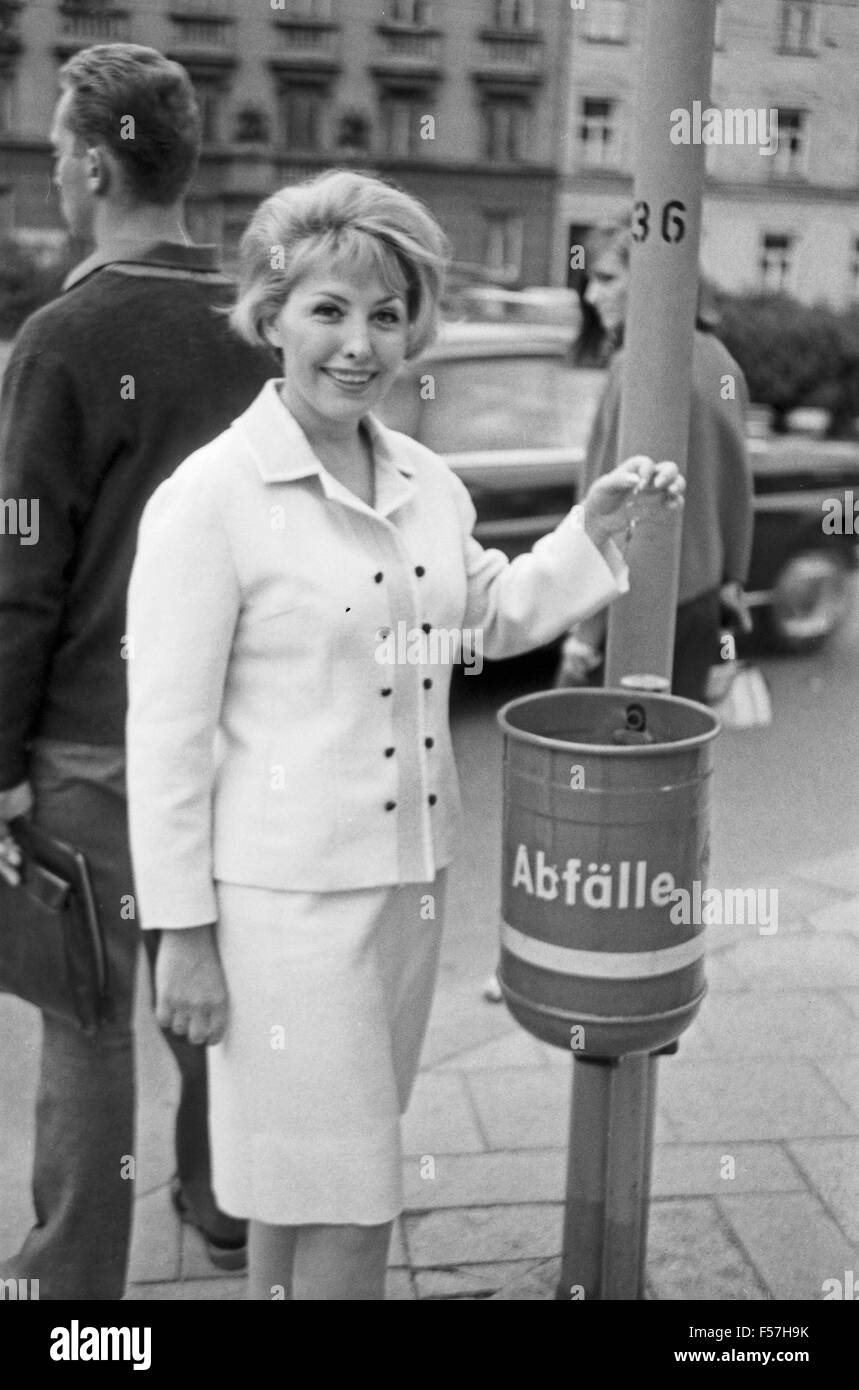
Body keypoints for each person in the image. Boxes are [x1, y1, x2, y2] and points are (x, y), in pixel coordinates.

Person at [124, 168, 684, 1302]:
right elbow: (166, 735)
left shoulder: (426, 482)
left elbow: (484, 615)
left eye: (386, 315)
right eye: (327, 310)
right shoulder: (211, 497)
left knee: (304, 1185)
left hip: (406, 891)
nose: (358, 343)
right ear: (269, 315)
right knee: (352, 1199)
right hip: (285, 915)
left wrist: (588, 532)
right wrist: (180, 931)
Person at [0, 43, 273, 1299]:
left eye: (59, 151)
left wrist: (2, 769)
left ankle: (71, 1291)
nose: (53, 172)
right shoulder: (256, 327)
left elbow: (20, 576)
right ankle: (222, 1209)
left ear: (98, 163)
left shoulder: (61, 341)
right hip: (238, 732)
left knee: (92, 1017)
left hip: (96, 744)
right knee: (210, 977)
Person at [556, 216, 754, 703]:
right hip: (701, 603)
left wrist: (586, 634)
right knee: (671, 760)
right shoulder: (721, 361)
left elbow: (615, 511)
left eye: (606, 280)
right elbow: (737, 490)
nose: (590, 296)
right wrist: (731, 585)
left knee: (610, 762)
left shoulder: (637, 365)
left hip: (636, 607)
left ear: (648, 282)